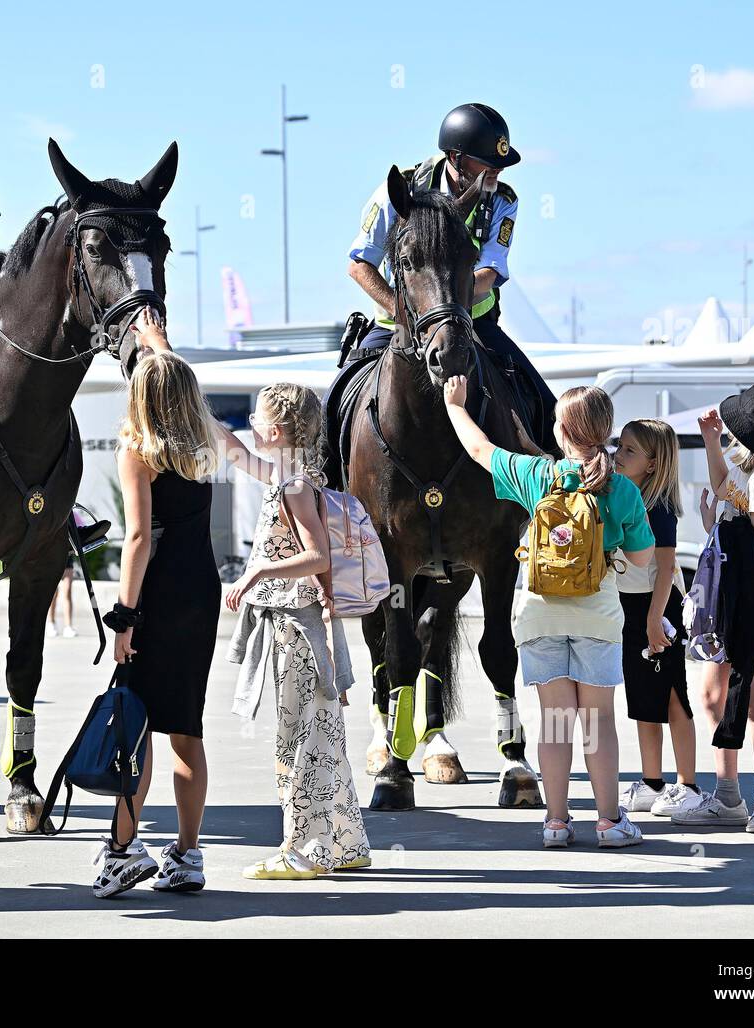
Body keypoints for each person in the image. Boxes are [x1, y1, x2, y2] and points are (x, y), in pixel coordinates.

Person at [443, 380, 654, 848]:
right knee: (597, 722)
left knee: (555, 720)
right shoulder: (621, 489)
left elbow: (480, 449)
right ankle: (610, 823)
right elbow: (642, 560)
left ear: (561, 430)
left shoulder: (538, 475)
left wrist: (455, 406)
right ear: (606, 431)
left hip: (539, 616)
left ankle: (556, 823)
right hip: (597, 616)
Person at [342, 102, 556, 449]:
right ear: (456, 157)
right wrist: (404, 315)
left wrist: (450, 311)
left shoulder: (502, 200)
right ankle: (323, 476)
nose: (497, 172)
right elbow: (359, 265)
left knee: (547, 407)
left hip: (473, 321)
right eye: (489, 163)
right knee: (335, 398)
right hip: (395, 325)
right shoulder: (400, 190)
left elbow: (490, 270)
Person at [223, 379, 371, 880]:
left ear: (278, 429)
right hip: (308, 626)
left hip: (298, 629)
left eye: (256, 419)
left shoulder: (293, 486)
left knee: (299, 738)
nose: (249, 426)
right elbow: (237, 454)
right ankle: (348, 843)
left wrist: (257, 572)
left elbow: (317, 556)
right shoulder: (287, 476)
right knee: (324, 732)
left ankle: (303, 852)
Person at [92, 320, 218, 898]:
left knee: (135, 728)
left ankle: (122, 850)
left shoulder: (136, 452)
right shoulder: (201, 446)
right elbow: (179, 386)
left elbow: (139, 539)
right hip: (201, 592)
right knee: (186, 731)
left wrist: (123, 619)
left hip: (157, 596)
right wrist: (161, 349)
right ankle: (188, 855)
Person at [674, 384, 754, 833]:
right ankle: (727, 796)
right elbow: (724, 489)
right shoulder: (746, 469)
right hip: (727, 591)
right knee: (713, 697)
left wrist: (726, 521)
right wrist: (709, 443)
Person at [613, 419, 701, 817]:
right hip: (630, 608)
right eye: (621, 446)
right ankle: (652, 781)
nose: (618, 454)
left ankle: (689, 785)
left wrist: (653, 620)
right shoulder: (620, 496)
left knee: (672, 696)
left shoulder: (658, 509)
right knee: (641, 698)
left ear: (652, 464)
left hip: (658, 608)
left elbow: (666, 570)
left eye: (630, 450)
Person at [46, 559, 77, 638]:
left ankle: (68, 626)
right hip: (53, 559)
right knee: (53, 593)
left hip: (67, 559)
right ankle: (51, 623)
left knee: (67, 591)